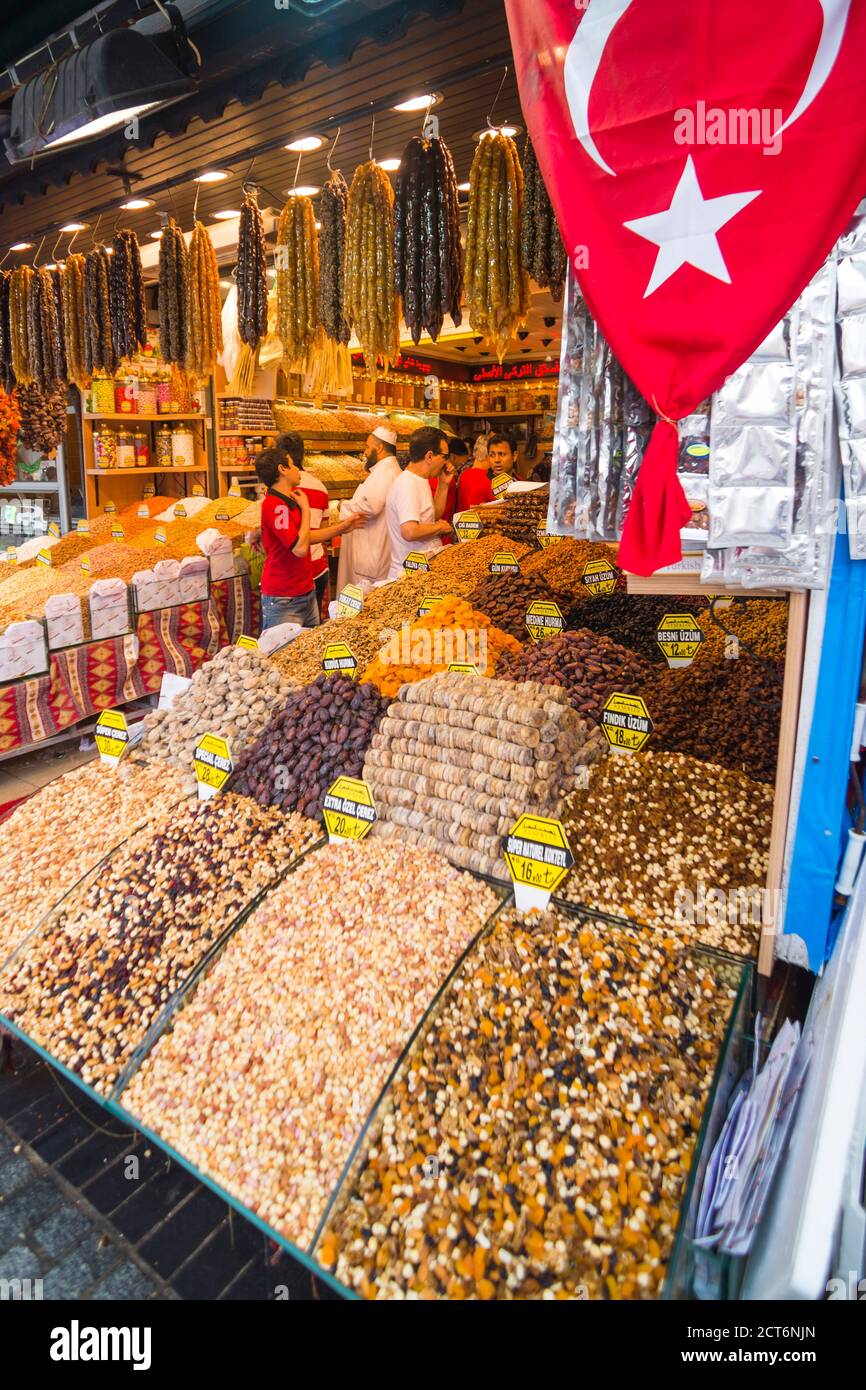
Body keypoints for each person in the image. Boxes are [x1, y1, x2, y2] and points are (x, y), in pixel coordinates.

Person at [274, 432, 364, 617]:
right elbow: (323, 531)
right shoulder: (320, 487)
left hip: (290, 573)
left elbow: (290, 541)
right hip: (318, 567)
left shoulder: (279, 491)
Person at [256, 441, 319, 630]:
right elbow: (300, 548)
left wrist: (343, 528)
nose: (298, 469)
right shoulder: (276, 506)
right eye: (292, 464)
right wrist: (306, 510)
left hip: (305, 590)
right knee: (283, 656)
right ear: (282, 469)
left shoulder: (288, 500)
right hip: (284, 598)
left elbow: (304, 537)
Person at [336, 424, 402, 588]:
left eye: (367, 446)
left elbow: (370, 505)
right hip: (372, 552)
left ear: (379, 448)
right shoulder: (385, 470)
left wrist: (343, 505)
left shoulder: (386, 472)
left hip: (371, 555)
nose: (365, 452)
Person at [385, 425, 454, 580]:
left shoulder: (420, 480)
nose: (446, 462)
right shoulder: (407, 484)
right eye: (445, 456)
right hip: (407, 576)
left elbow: (430, 517)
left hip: (420, 573)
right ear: (429, 456)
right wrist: (440, 527)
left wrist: (443, 485)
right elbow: (410, 531)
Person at [455, 435, 495, 511]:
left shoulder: (464, 474)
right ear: (488, 455)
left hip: (461, 520)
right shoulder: (488, 478)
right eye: (494, 454)